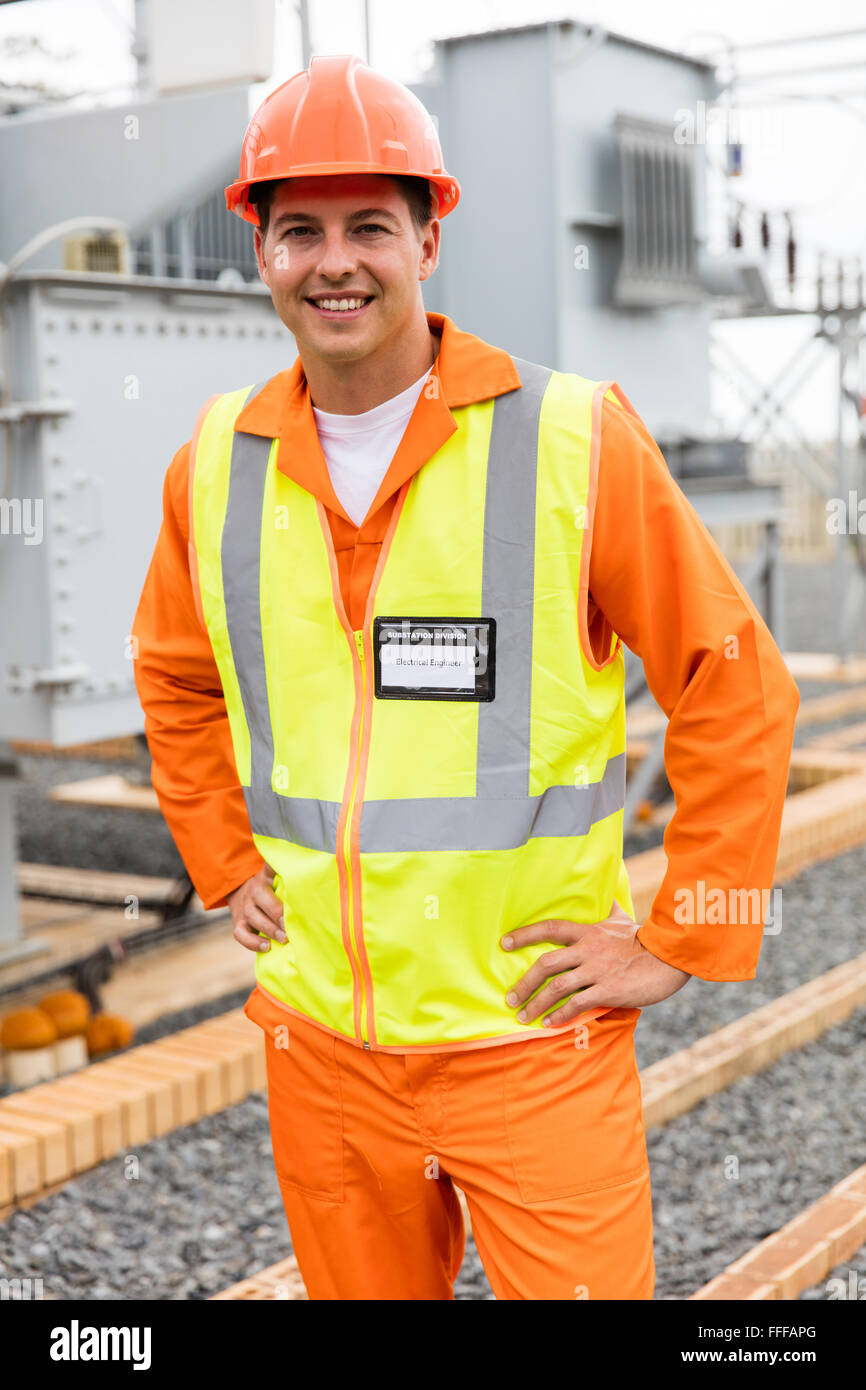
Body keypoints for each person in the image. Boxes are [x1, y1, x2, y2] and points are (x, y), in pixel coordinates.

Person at [131, 54, 800, 1301]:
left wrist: (679, 938)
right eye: (300, 232)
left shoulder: (568, 436)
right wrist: (223, 860)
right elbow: (173, 678)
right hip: (323, 1048)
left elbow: (731, 677)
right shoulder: (214, 463)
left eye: (370, 228)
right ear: (260, 252)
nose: (335, 262)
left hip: (528, 1041)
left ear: (429, 238)